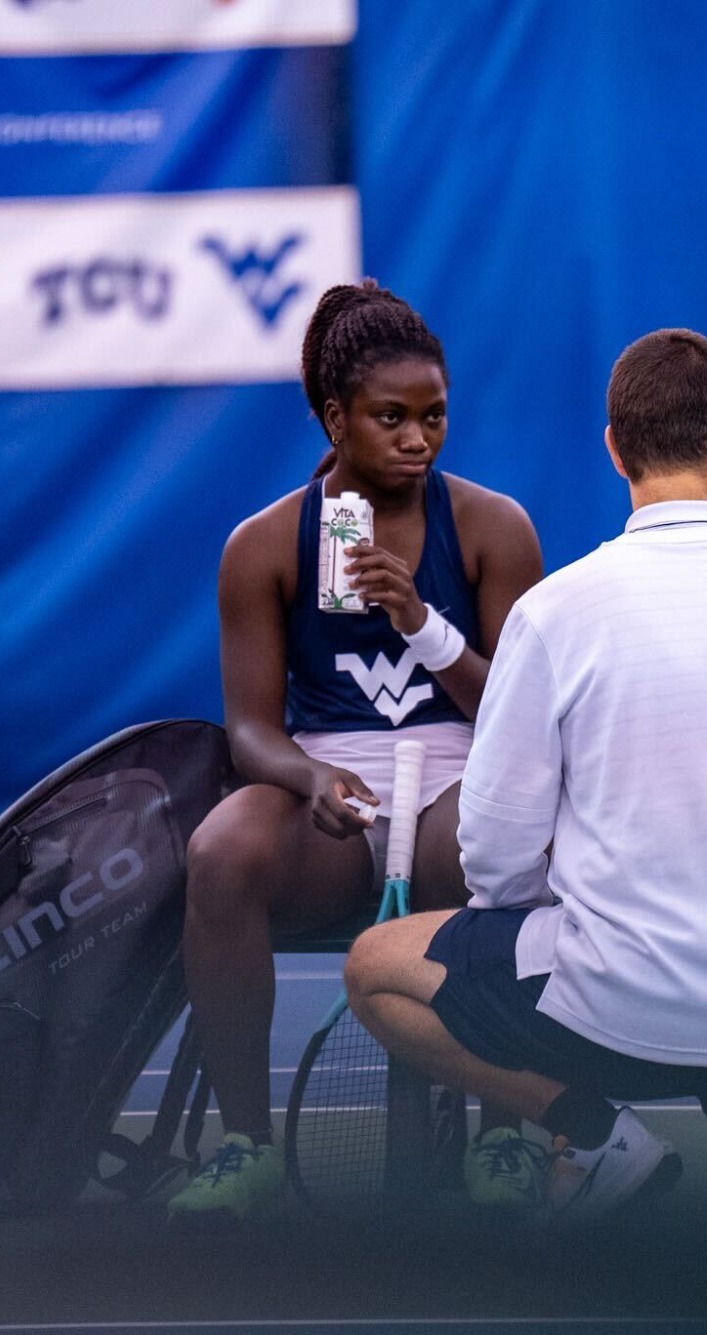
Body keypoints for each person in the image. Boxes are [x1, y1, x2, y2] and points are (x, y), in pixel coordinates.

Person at [342, 328, 707, 1254]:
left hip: (614, 1010)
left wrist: (546, 916)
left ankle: (598, 1132)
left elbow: (494, 851)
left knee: (374, 967)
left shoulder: (555, 613)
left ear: (613, 449)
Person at [167, 281, 545, 1227]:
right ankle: (246, 1144)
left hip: (460, 772)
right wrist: (309, 776)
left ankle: (506, 1131)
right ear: (335, 418)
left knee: (496, 841)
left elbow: (517, 715)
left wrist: (420, 622)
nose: (418, 439)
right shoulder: (262, 546)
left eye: (434, 416)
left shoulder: (495, 527)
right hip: (334, 790)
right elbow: (251, 729)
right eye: (390, 418)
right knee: (219, 853)